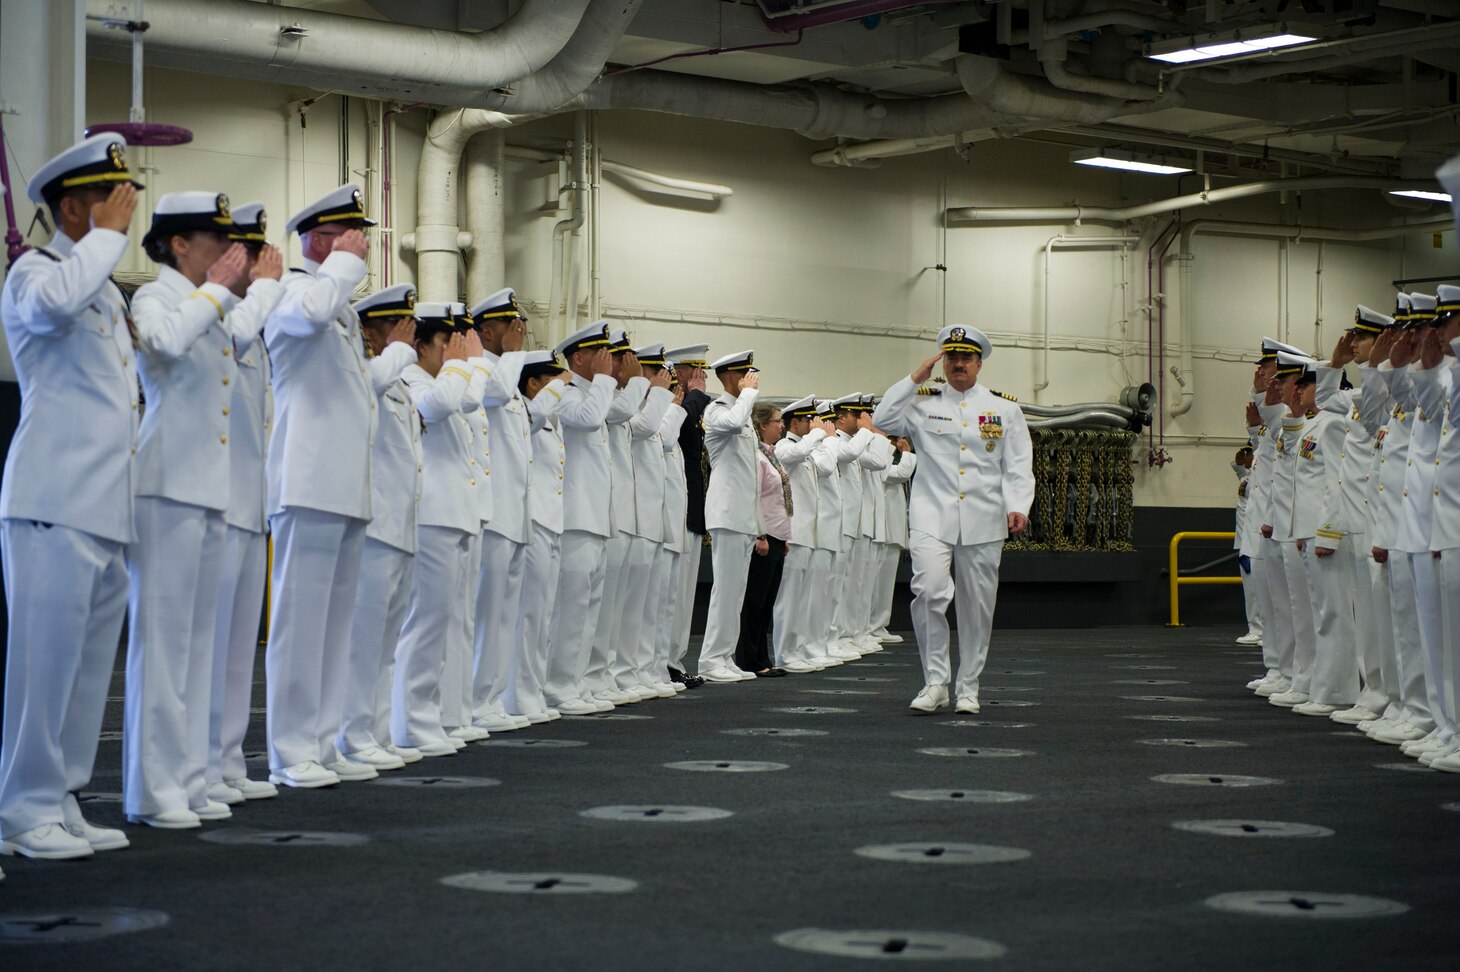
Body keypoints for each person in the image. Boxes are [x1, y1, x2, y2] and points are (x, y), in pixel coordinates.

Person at [0, 134, 142, 862]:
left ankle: (61, 796)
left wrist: (107, 247)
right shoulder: (37, 274)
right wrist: (107, 241)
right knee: (43, 665)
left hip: (105, 502)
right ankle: (22, 808)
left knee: (87, 671)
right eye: (110, 197)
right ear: (71, 206)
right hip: (52, 498)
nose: (125, 206)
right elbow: (53, 309)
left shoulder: (104, 288)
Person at [125, 191, 283, 828]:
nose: (230, 254)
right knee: (164, 650)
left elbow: (236, 338)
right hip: (166, 488)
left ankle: (191, 779)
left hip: (208, 491)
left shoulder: (212, 308)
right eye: (216, 241)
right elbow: (161, 344)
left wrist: (241, 292)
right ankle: (153, 789)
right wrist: (220, 290)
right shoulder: (158, 298)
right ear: (179, 244)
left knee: (196, 647)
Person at [264, 183, 385, 788]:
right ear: (318, 239)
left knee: (336, 626)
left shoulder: (337, 307)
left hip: (343, 487)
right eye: (349, 235)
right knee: (301, 621)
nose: (360, 247)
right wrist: (343, 263)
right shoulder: (294, 291)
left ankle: (323, 739)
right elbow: (303, 316)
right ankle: (290, 749)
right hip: (307, 483)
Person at [872, 325, 1033, 715]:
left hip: (983, 516)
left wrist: (1019, 506)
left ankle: (969, 687)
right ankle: (935, 682)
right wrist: (914, 378)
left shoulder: (1004, 410)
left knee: (977, 607)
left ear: (979, 364)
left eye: (966, 358)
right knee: (928, 592)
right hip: (932, 514)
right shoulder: (922, 403)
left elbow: (1016, 465)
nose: (958, 364)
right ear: (942, 362)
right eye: (951, 357)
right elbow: (883, 418)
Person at [208, 202, 287, 802]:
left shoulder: (250, 325)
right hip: (209, 500)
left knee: (238, 649)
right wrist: (261, 290)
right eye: (248, 252)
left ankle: (228, 762)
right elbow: (228, 335)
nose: (259, 264)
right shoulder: (217, 313)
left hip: (246, 501)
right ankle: (201, 768)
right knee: (206, 648)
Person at [335, 284, 422, 772]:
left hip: (400, 523)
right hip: (374, 523)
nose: (406, 336)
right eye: (396, 326)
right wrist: (396, 352)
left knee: (385, 639)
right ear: (370, 331)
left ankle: (376, 731)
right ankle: (351, 733)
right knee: (363, 639)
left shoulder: (399, 381)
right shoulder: (370, 374)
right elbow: (364, 385)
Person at [393, 304, 480, 757]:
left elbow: (465, 399)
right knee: (424, 622)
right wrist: (462, 365)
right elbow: (440, 405)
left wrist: (461, 366)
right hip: (430, 515)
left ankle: (433, 714)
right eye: (448, 342)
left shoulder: (443, 380)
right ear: (421, 346)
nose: (455, 350)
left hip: (452, 514)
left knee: (442, 622)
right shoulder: (411, 381)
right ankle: (410, 720)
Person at [1315, 308, 1393, 726]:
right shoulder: (1360, 397)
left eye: (1361, 339)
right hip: (1363, 515)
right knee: (1370, 617)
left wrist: (1377, 364)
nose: (1354, 344)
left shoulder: (1385, 393)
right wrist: (1335, 364)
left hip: (1378, 515)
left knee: (1382, 617)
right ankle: (1376, 689)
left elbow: (1381, 396)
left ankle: (1385, 692)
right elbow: (1327, 399)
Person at [462, 289, 534, 733]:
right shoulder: (481, 372)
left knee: (504, 614)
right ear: (485, 331)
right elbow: (495, 391)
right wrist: (509, 354)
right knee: (485, 613)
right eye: (510, 326)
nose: (519, 333)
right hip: (492, 513)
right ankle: (473, 700)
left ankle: (491, 698)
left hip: (514, 512)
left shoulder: (504, 375)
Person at [542, 322, 619, 714]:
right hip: (574, 517)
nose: (607, 360)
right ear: (578, 358)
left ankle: (575, 681)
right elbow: (588, 419)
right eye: (599, 353)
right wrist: (605, 380)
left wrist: (605, 381)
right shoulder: (567, 393)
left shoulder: (595, 393)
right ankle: (557, 685)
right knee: (570, 608)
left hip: (594, 516)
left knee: (589, 608)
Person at [506, 350, 573, 722]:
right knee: (526, 616)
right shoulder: (525, 416)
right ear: (533, 383)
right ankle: (516, 695)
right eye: (553, 381)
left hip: (550, 521)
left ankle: (530, 692)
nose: (561, 389)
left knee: (541, 615)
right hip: (532, 521)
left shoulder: (547, 419)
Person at [696, 350, 765, 683]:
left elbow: (750, 473)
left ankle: (724, 656)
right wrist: (749, 395)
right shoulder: (717, 410)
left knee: (736, 592)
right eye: (744, 375)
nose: (750, 380)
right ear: (728, 377)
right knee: (724, 590)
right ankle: (710, 659)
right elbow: (735, 421)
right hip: (725, 513)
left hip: (743, 515)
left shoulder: (742, 413)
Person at [665, 344, 711, 684]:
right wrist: (694, 397)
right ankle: (665, 661)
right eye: (694, 372)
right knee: (670, 593)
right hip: (673, 507)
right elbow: (675, 432)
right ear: (678, 373)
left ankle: (675, 661)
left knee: (683, 594)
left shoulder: (688, 406)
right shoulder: (671, 403)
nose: (702, 379)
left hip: (692, 506)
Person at [772, 396, 828, 672]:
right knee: (790, 597)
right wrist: (818, 434)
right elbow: (789, 456)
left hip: (809, 532)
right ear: (795, 422)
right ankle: (784, 652)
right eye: (808, 419)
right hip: (794, 533)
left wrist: (817, 438)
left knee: (803, 599)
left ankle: (798, 649)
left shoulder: (807, 449)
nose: (812, 423)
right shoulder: (785, 445)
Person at [737, 402, 791, 677]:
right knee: (755, 601)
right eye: (777, 421)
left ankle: (762, 657)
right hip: (764, 535)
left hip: (777, 536)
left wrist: (784, 537)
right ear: (762, 426)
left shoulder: (771, 455)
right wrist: (760, 534)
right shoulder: (757, 458)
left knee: (767, 601)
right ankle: (749, 659)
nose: (782, 425)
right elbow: (754, 497)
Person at [870, 437, 917, 643]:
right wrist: (906, 452)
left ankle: (879, 624)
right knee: (876, 582)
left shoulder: (884, 459)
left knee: (884, 582)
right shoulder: (877, 459)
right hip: (883, 529)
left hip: (891, 528)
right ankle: (872, 625)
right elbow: (900, 474)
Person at [1231, 446, 1262, 648]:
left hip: (1256, 542)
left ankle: (1261, 630)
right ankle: (1256, 628)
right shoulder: (1248, 477)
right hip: (1244, 541)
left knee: (1259, 588)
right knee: (1250, 588)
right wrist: (1239, 466)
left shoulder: (1258, 479)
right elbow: (1245, 479)